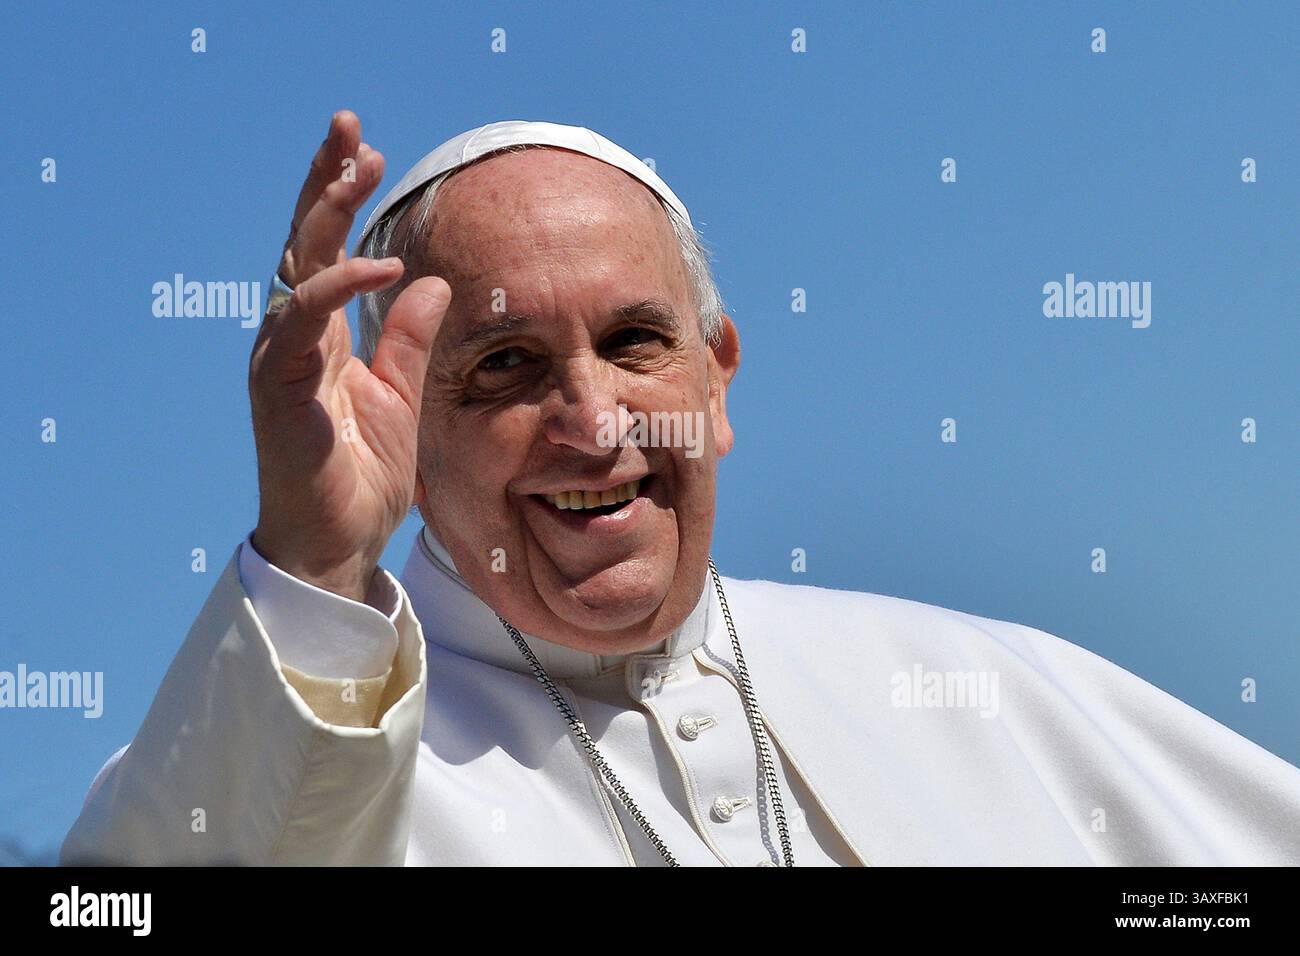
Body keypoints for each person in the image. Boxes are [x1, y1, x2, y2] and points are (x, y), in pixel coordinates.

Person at [61, 114, 1300, 866]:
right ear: (407, 432)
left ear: (717, 375)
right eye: (503, 367)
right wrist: (315, 568)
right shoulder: (291, 761)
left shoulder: (995, 686)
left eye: (637, 341)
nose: (595, 424)